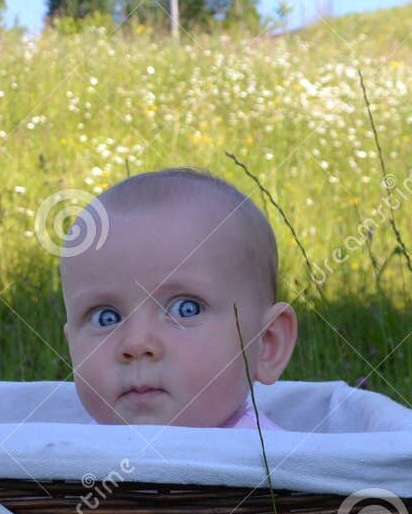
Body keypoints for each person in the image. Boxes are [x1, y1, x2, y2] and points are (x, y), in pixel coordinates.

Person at [61, 167, 297, 430]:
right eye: (106, 317)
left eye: (186, 309)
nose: (137, 343)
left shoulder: (273, 463)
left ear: (266, 343)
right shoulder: (61, 454)